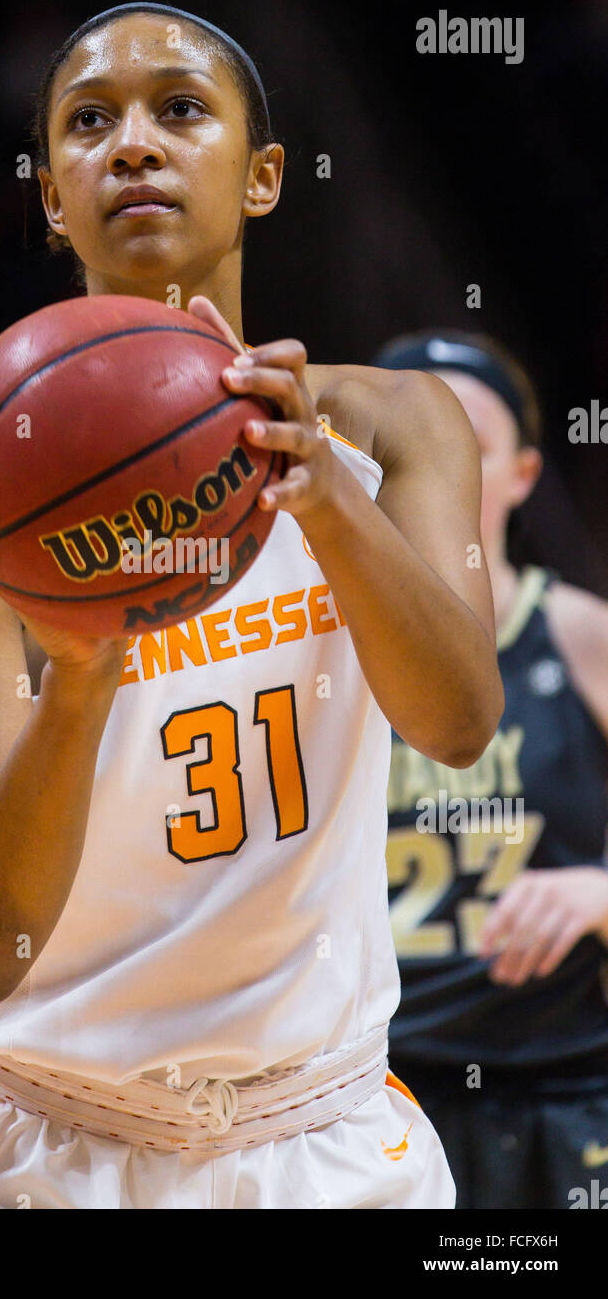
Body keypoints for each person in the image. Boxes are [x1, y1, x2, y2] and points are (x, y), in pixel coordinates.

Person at [0, 1, 502, 1210]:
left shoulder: (393, 429)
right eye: (88, 122)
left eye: (178, 109)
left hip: (311, 1130)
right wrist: (78, 680)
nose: (130, 144)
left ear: (262, 176)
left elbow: (458, 724)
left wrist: (324, 503)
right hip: (28, 1134)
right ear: (53, 197)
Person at [375, 329, 608, 1209]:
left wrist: (600, 891)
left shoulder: (581, 635)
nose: (439, 471)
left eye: (468, 446)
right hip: (367, 1099)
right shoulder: (314, 655)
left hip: (564, 1087)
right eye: (409, 446)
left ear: (521, 476)